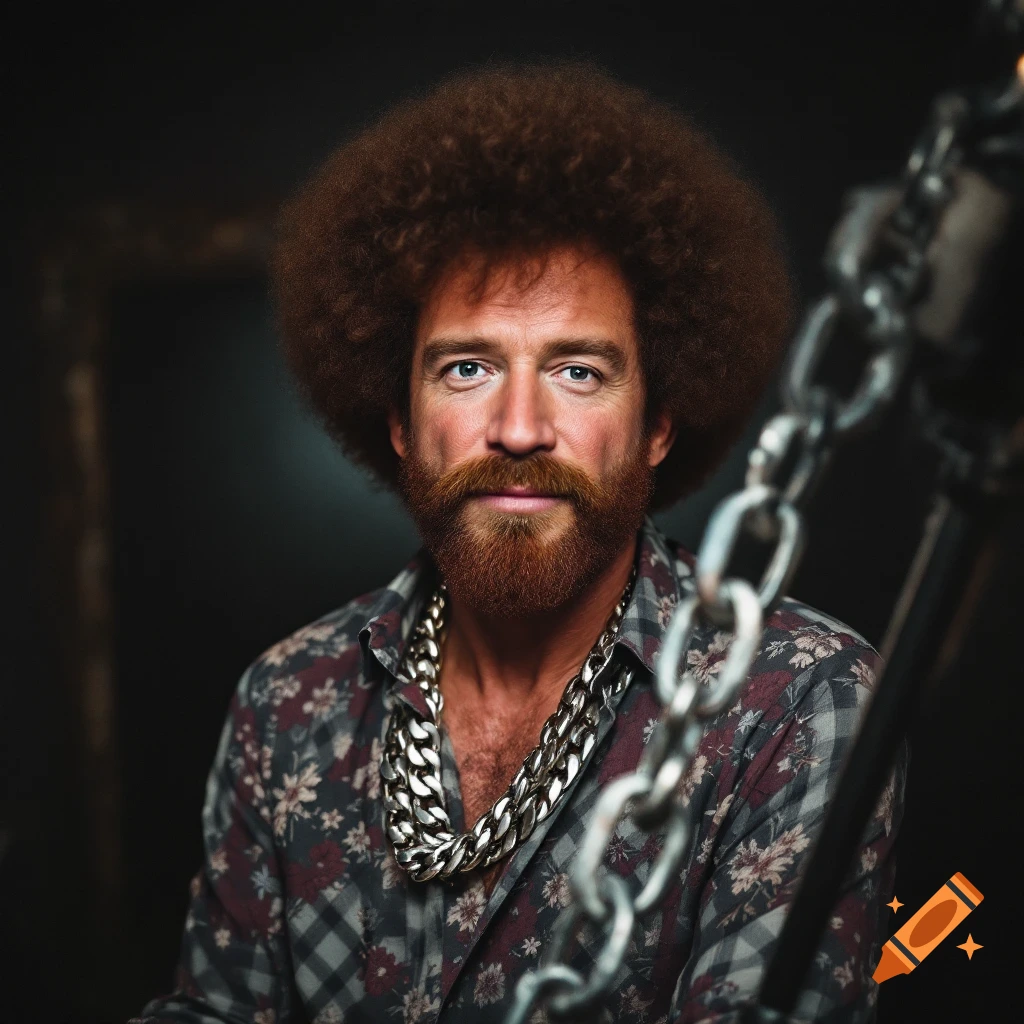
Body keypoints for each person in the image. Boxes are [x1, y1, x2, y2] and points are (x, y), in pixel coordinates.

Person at [133, 62, 906, 1024]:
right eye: (466, 368)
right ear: (402, 423)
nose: (520, 427)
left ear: (659, 424)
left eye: (578, 371)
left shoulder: (792, 706)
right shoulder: (288, 704)